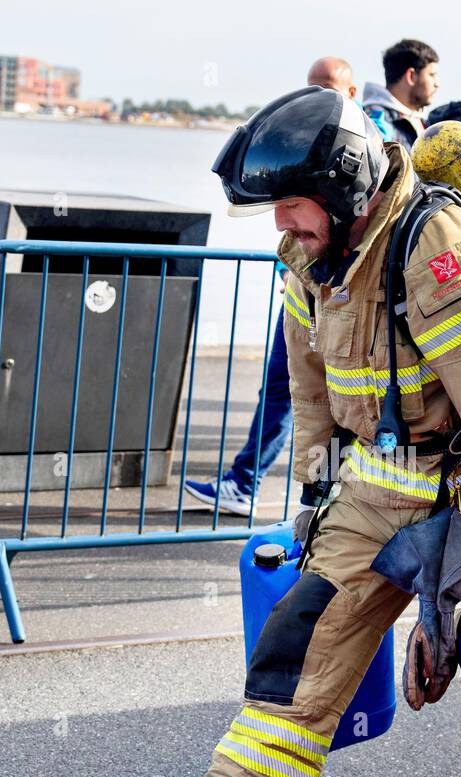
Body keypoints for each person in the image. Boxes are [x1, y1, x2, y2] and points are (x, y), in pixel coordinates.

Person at [203, 87, 461, 777]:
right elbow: (313, 397)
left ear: (342, 190)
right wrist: (316, 492)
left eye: (291, 201)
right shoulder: (307, 256)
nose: (280, 222)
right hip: (380, 492)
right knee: (296, 645)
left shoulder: (436, 248)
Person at [184, 57, 359, 517]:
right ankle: (268, 486)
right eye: (310, 87)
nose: (281, 222)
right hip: (312, 291)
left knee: (325, 395)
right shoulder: (299, 149)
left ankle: (259, 484)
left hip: (349, 301)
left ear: (352, 92)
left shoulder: (360, 145)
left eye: (328, 88)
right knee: (295, 389)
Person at [361, 38, 438, 152]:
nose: (437, 83)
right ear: (411, 76)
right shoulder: (375, 121)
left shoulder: (424, 123)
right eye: (431, 75)